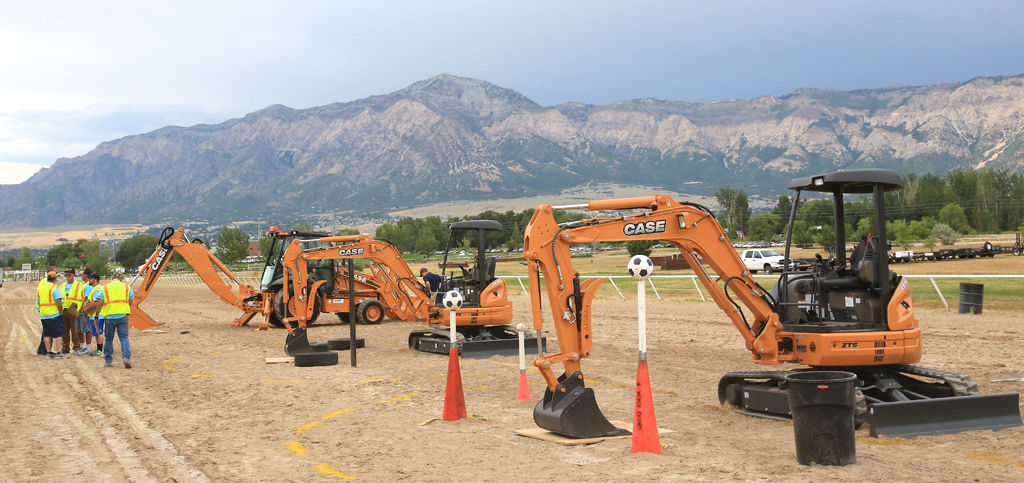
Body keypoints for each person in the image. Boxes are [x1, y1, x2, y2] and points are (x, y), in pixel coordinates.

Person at [87, 272, 134, 368]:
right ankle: (126, 358)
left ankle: (108, 361)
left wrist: (96, 316)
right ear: (120, 278)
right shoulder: (126, 287)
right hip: (123, 315)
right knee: (124, 338)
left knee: (109, 339)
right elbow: (130, 300)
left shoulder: (105, 287)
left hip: (109, 316)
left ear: (112, 278)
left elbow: (99, 302)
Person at [37, 270, 69, 359]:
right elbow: (59, 301)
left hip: (44, 315)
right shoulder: (54, 288)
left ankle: (48, 352)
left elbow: (38, 301)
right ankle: (59, 352)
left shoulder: (41, 288)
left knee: (47, 334)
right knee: (58, 334)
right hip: (54, 314)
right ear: (55, 279)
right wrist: (61, 312)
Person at [60, 268, 86, 353]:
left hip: (74, 309)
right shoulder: (62, 285)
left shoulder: (79, 285)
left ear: (74, 275)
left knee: (75, 330)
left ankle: (76, 346)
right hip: (64, 309)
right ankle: (65, 347)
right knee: (65, 330)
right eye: (66, 274)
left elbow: (82, 298)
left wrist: (79, 310)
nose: (67, 276)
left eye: (69, 274)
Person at [74, 269, 97, 354]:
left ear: (86, 275)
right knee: (79, 330)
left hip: (84, 311)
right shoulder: (84, 285)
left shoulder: (88, 286)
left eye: (82, 273)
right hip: (80, 310)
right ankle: (82, 346)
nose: (81, 275)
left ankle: (87, 347)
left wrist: (80, 311)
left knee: (87, 329)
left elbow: (86, 299)